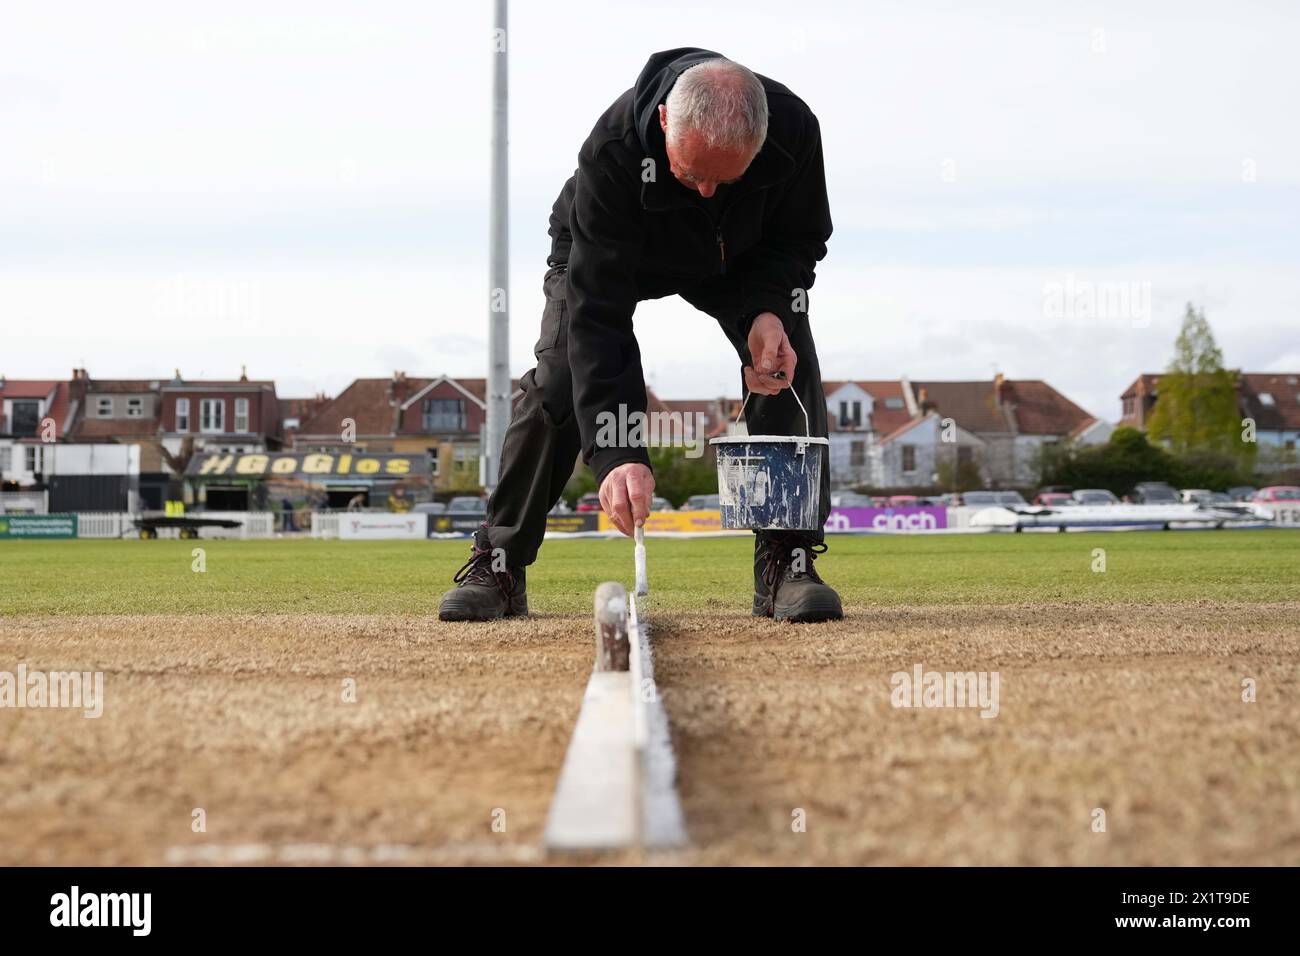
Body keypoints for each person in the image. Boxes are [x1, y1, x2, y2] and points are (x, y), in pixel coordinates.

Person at [439, 48, 841, 624]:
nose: (706, 192)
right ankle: (498, 560)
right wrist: (620, 452)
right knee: (559, 378)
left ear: (763, 139)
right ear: (662, 127)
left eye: (725, 178)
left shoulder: (797, 130)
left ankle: (788, 557)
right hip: (614, 254)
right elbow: (599, 317)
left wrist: (770, 310)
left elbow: (800, 237)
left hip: (741, 260)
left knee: (785, 370)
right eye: (690, 173)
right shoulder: (611, 154)